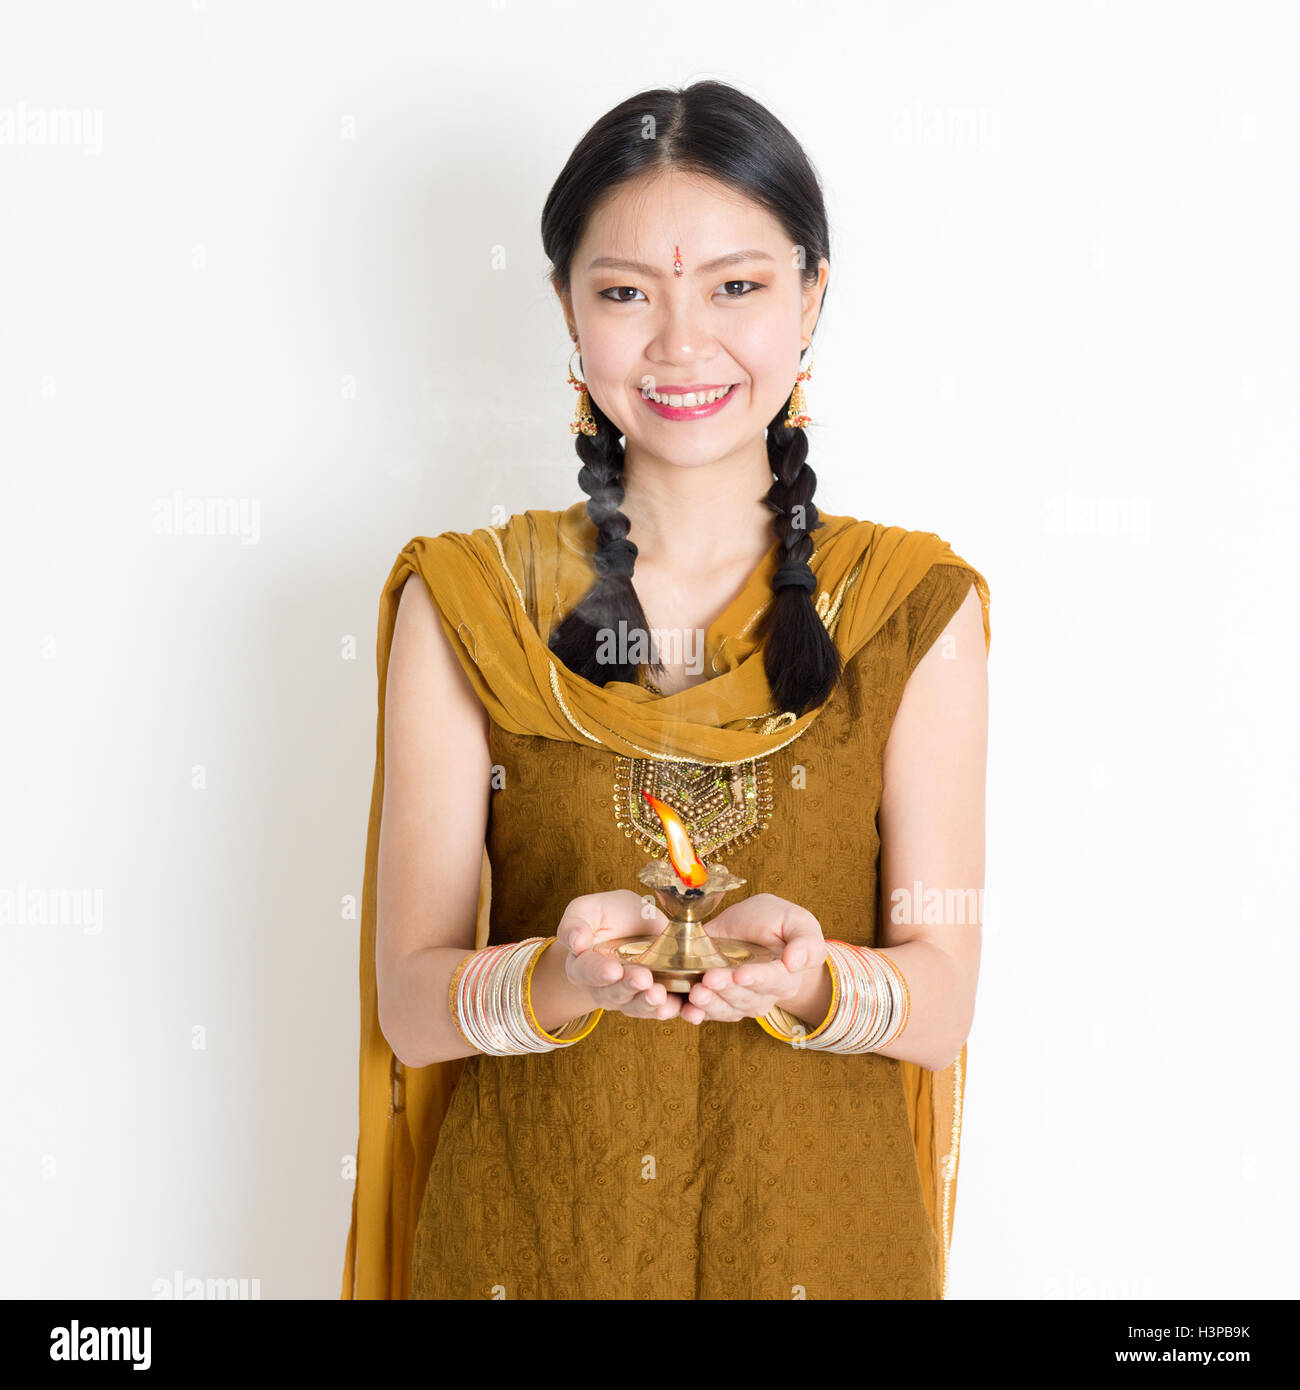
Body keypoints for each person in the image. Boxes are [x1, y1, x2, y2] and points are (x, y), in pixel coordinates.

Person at [342, 80, 991, 1301]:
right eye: (627, 291)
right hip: (532, 1246)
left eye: (735, 287)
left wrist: (806, 978)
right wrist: (559, 976)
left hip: (822, 1247)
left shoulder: (911, 606)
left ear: (811, 295)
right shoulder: (471, 601)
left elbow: (941, 1003)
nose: (682, 344)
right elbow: (413, 1009)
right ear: (568, 312)